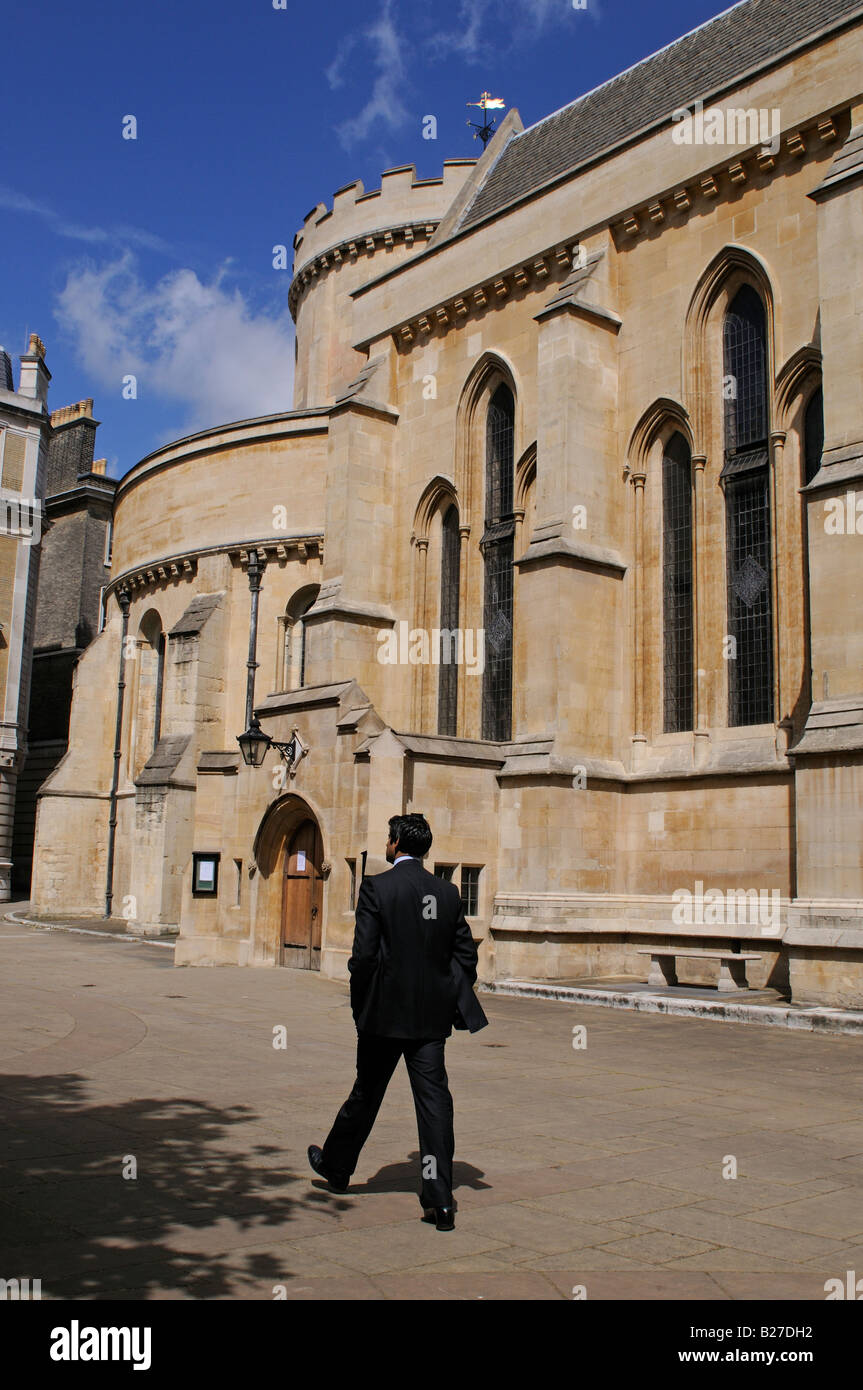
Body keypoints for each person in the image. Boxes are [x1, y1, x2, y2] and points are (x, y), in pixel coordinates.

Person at [308, 812, 487, 1231]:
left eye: (388, 840)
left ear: (395, 844)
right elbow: (466, 955)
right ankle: (440, 1198)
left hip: (384, 1017)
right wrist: (448, 993)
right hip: (430, 1021)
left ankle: (337, 1167)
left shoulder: (377, 887)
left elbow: (364, 957)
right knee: (434, 1104)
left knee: (365, 1094)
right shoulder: (446, 892)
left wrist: (360, 1005)